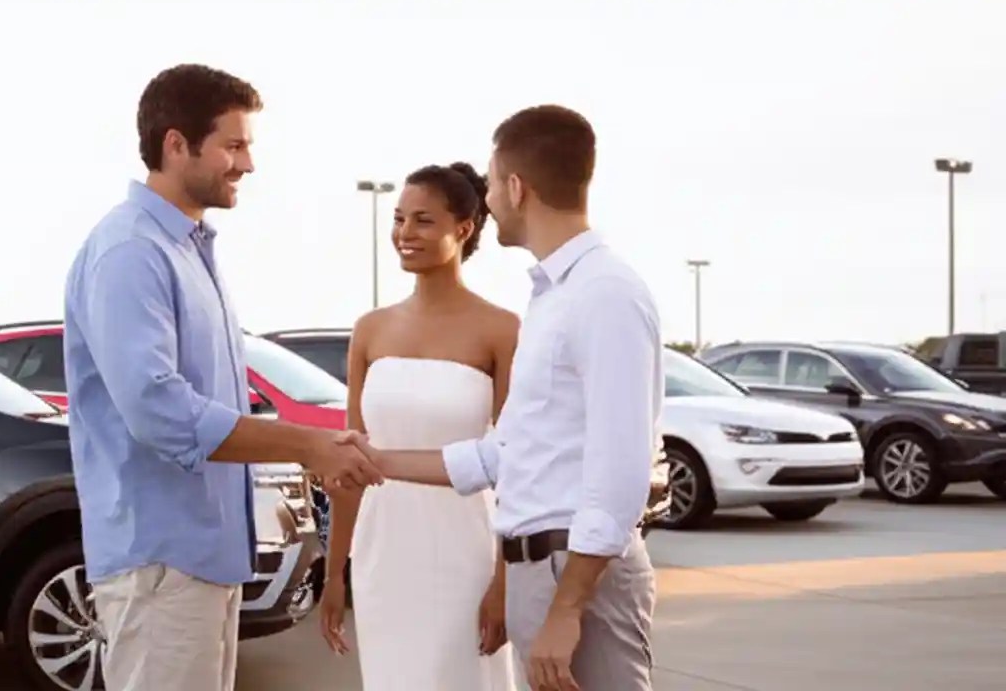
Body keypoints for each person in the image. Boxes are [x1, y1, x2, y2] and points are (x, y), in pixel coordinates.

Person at [62, 64, 383, 691]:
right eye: (234, 145)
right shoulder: (133, 252)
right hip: (162, 562)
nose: (248, 164)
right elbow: (158, 410)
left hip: (203, 560)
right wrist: (307, 445)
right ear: (176, 144)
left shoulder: (188, 249)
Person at [349, 105, 662, 691]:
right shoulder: (551, 298)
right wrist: (370, 458)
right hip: (537, 572)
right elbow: (502, 456)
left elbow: (622, 469)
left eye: (491, 184)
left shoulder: (605, 293)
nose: (487, 199)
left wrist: (567, 608)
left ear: (516, 188)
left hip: (575, 577)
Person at [318, 162, 520, 689]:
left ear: (465, 228)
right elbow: (350, 465)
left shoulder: (502, 330)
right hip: (383, 554)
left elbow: (519, 467)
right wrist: (334, 572)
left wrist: (504, 582)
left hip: (465, 556)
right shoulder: (370, 329)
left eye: (423, 221)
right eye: (400, 219)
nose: (405, 234)